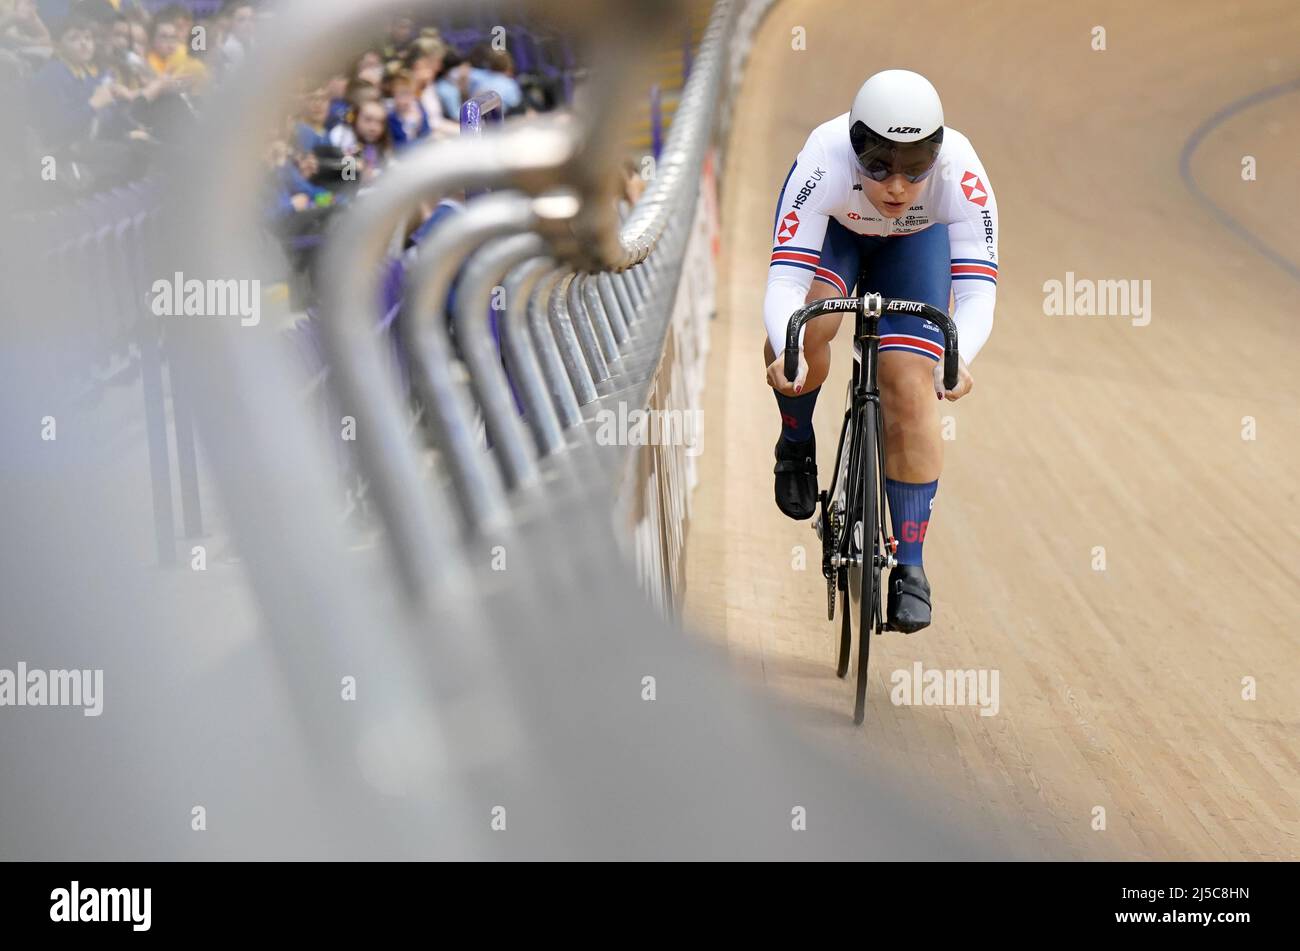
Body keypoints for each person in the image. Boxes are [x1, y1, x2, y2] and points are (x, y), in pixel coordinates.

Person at [763, 69, 999, 634]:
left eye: (915, 169)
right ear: (853, 150)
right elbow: (785, 286)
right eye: (878, 166)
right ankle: (796, 443)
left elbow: (976, 292)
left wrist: (958, 356)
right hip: (838, 237)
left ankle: (911, 568)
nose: (896, 185)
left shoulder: (962, 172)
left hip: (915, 247)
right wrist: (788, 348)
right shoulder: (822, 159)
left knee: (912, 385)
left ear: (937, 157)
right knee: (808, 327)